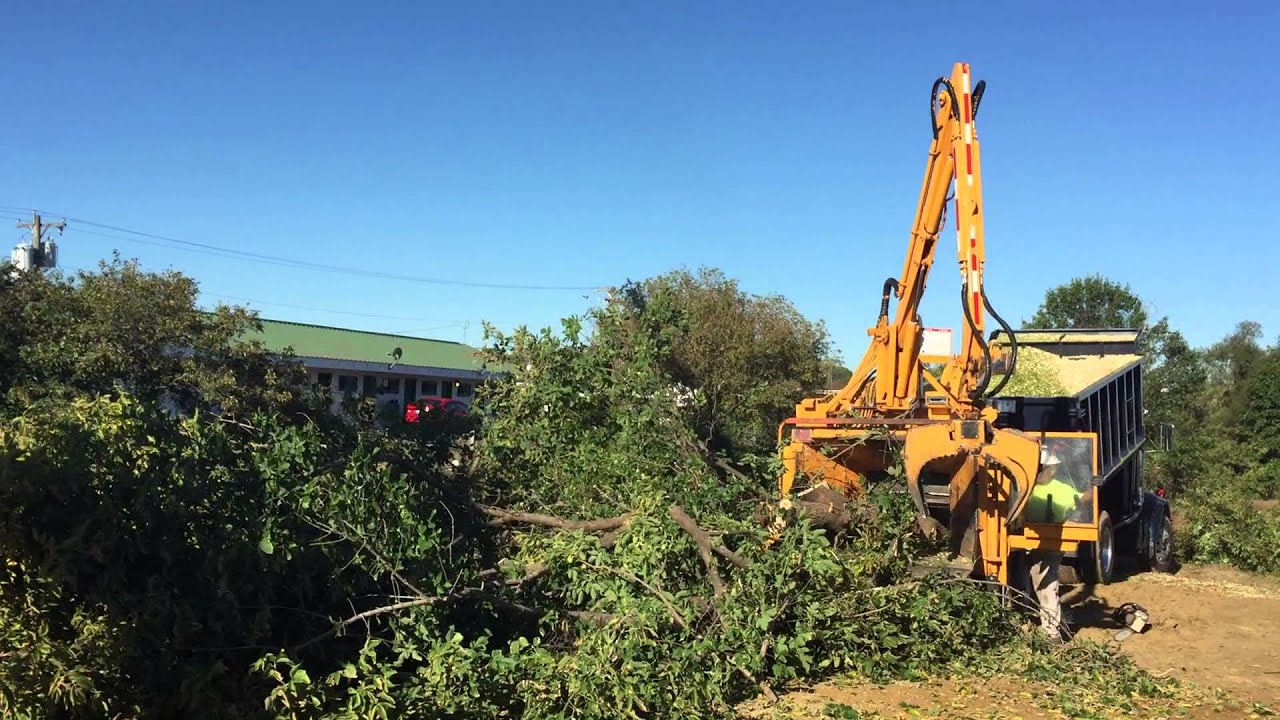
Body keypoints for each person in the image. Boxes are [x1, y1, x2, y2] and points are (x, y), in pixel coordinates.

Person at [1025, 446, 1093, 643]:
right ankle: (1030, 619)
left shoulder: (1061, 489)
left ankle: (1051, 633)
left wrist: (1094, 487)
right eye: (1042, 467)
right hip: (1019, 544)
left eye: (1047, 468)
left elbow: (1083, 500)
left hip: (1049, 546)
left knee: (1047, 587)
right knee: (1023, 584)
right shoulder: (1024, 485)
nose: (1047, 471)